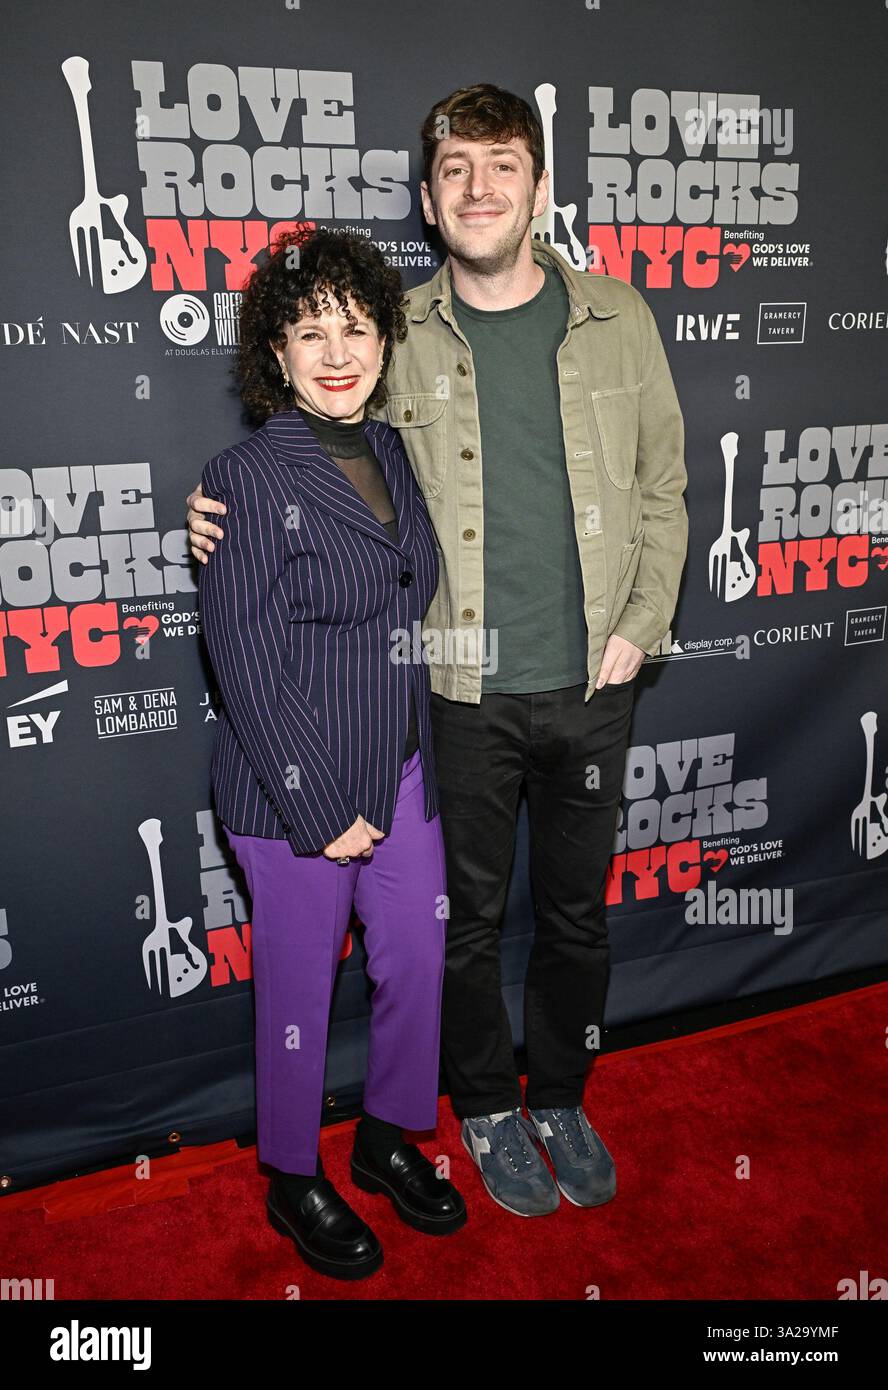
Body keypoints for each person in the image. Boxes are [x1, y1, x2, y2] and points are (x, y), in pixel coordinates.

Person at [188, 84, 688, 1219]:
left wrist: (637, 627)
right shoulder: (399, 328)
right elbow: (307, 434)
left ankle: (555, 1092)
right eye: (455, 168)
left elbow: (665, 483)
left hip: (594, 680)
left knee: (572, 916)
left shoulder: (621, 317)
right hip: (451, 696)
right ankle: (483, 1111)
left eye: (502, 163)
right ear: (427, 197)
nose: (479, 187)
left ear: (541, 185)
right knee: (450, 940)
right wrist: (211, 500)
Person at [197, 225, 465, 1281]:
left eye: (355, 327)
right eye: (311, 332)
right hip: (290, 789)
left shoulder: (395, 449)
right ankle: (291, 1172)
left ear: (385, 341)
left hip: (403, 765)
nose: (337, 351)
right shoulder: (243, 477)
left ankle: (389, 1134)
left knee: (417, 965)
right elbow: (245, 662)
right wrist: (320, 808)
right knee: (300, 994)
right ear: (276, 353)